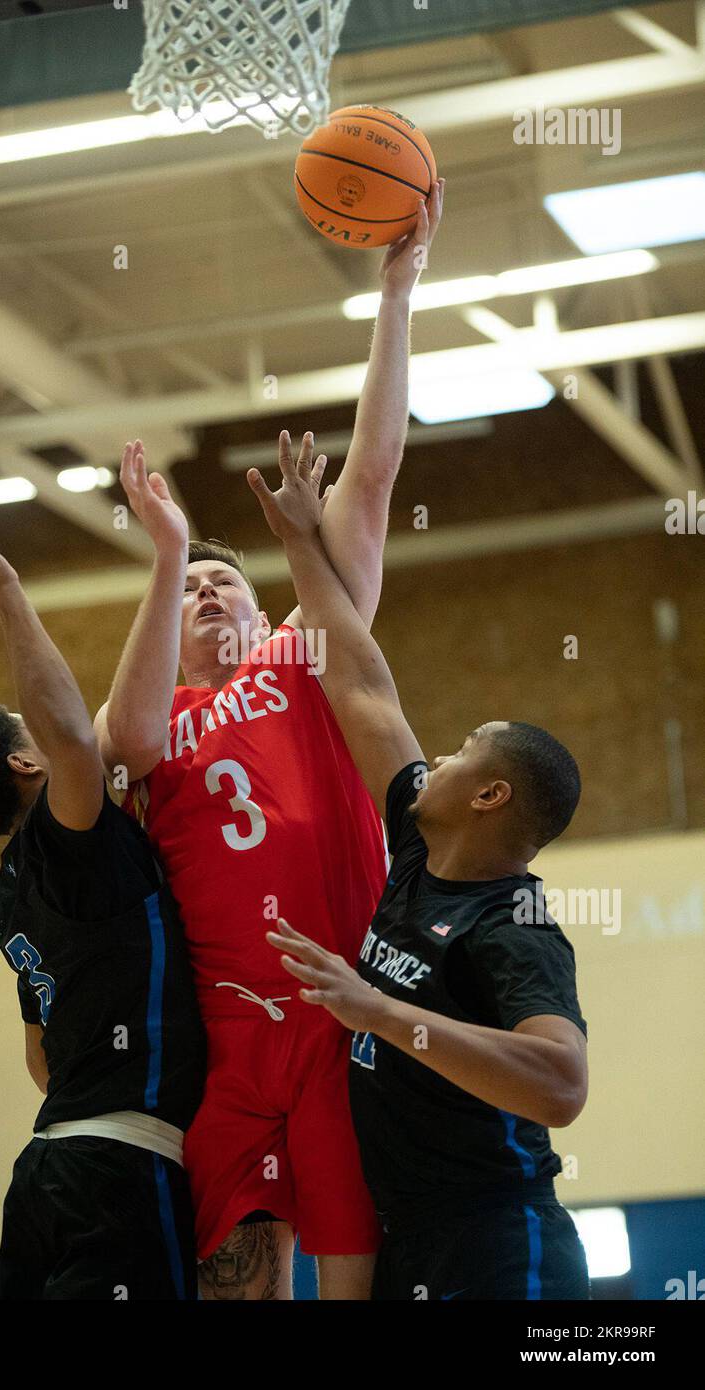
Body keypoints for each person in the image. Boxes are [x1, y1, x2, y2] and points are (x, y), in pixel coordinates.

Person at [96, 182, 445, 1301]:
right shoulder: (152, 727)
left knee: (351, 1283)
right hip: (230, 1041)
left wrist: (396, 293)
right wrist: (163, 562)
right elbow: (117, 740)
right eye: (185, 584)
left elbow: (374, 479)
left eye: (220, 579)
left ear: (260, 613)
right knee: (234, 1285)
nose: (203, 588)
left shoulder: (300, 658)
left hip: (345, 1007)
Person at [248, 438, 591, 1301]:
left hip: (503, 1242)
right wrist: (297, 540)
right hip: (411, 1237)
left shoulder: (515, 930)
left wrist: (378, 1011)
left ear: (490, 797)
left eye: (463, 752)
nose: (436, 753)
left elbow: (561, 1086)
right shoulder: (416, 842)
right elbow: (361, 683)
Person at [0, 503, 205, 1301]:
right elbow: (77, 739)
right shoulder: (62, 841)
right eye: (31, 729)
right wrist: (8, 591)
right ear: (24, 759)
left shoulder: (18, 895)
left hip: (47, 1170)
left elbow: (40, 1059)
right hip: (118, 1167)